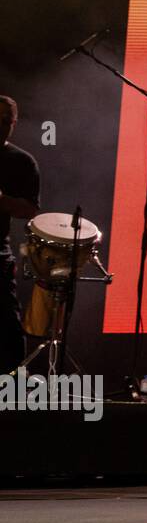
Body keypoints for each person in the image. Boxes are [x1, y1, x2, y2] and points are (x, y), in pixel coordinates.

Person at [0, 96, 41, 373]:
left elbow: (29, 209)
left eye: (4, 121)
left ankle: (13, 394)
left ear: (13, 124)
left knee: (7, 328)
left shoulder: (21, 161)